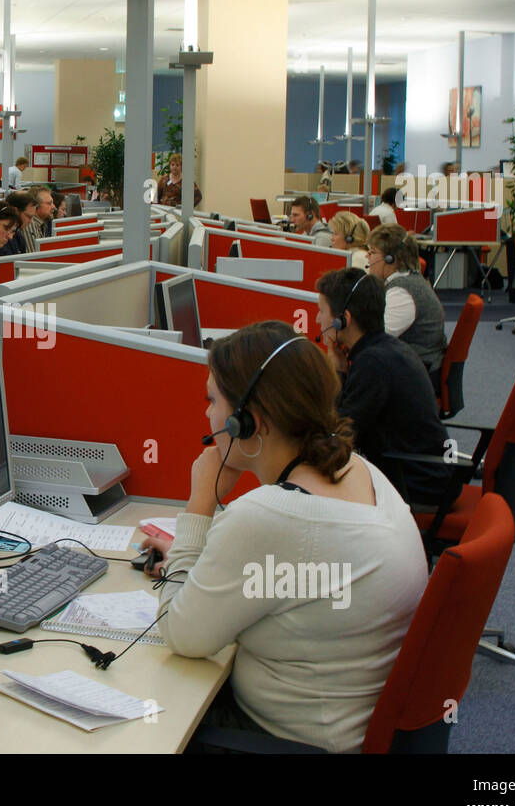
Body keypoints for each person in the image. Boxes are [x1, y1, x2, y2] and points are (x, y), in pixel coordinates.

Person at [140, 320, 426, 753]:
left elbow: (180, 633)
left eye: (211, 400)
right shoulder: (361, 470)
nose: (206, 415)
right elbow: (297, 548)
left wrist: (200, 502)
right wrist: (198, 550)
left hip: (286, 739)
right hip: (353, 722)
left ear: (247, 424)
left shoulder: (266, 518)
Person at [315, 268, 451, 508]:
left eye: (321, 311)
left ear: (343, 319)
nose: (317, 320)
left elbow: (339, 436)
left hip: (416, 484)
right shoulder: (385, 348)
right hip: (423, 471)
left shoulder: (373, 364)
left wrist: (335, 370)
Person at [365, 224, 447, 381]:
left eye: (373, 252)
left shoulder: (402, 292)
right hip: (414, 362)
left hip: (417, 372)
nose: (367, 256)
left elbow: (376, 337)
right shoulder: (406, 280)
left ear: (391, 259)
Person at [0, 189, 36, 255]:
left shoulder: (18, 236)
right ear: (15, 211)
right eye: (29, 217)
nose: (31, 222)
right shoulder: (0, 238)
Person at [21, 184, 56, 252]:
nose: (53, 207)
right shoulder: (30, 225)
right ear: (36, 206)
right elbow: (33, 257)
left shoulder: (42, 223)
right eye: (49, 203)